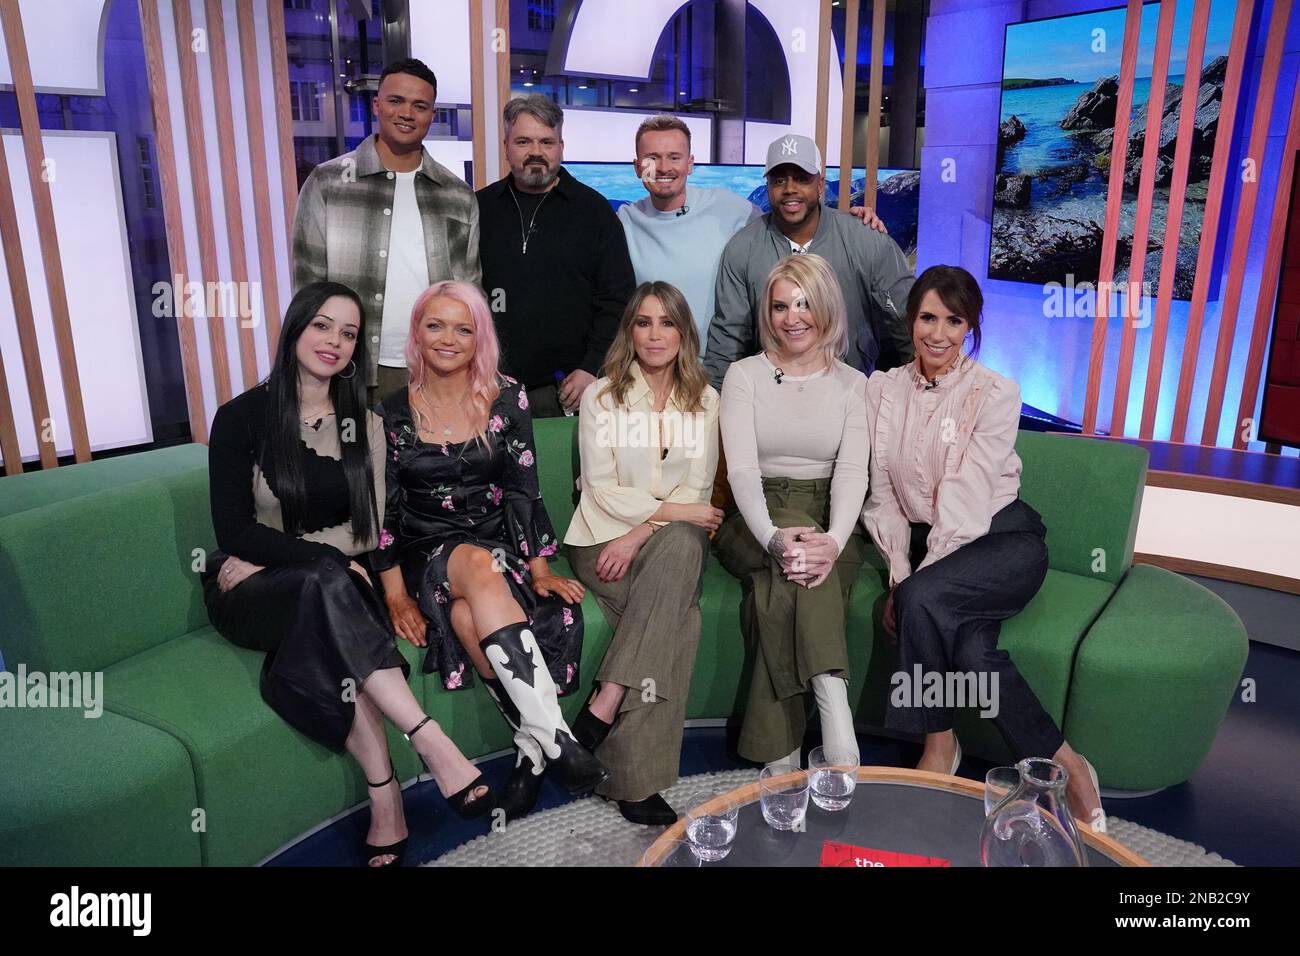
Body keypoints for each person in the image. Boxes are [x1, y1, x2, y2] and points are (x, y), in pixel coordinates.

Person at [204, 281, 492, 868]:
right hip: (250, 593)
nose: (334, 342)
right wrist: (329, 558)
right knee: (329, 581)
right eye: (322, 326)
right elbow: (232, 533)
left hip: (314, 584)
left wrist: (299, 551)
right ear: (295, 329)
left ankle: (385, 800)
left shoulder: (365, 420)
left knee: (327, 590)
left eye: (349, 333)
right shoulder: (240, 418)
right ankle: (431, 740)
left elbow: (373, 528)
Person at [861, 264, 1103, 823]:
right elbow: (884, 497)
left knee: (923, 600)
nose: (938, 333)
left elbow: (968, 501)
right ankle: (1065, 760)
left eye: (954, 320)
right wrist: (899, 570)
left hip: (1003, 539)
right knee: (971, 651)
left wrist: (916, 585)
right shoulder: (884, 391)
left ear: (970, 327)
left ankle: (938, 745)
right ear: (910, 318)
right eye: (927, 317)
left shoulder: (994, 393)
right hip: (936, 545)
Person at [373, 280, 607, 822]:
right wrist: (394, 597)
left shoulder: (508, 397)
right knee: (472, 568)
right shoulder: (389, 413)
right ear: (416, 333)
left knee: (465, 613)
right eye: (435, 325)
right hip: (425, 550)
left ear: (480, 337)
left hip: (496, 546)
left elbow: (525, 487)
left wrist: (539, 565)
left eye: (463, 328)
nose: (448, 339)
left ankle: (533, 750)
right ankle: (562, 739)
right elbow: (383, 514)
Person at [563, 281, 722, 825]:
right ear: (630, 330)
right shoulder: (601, 395)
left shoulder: (706, 398)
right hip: (602, 539)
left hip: (662, 545)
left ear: (684, 333)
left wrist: (648, 529)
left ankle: (605, 701)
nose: (656, 335)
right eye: (644, 322)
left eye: (668, 323)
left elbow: (698, 488)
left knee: (679, 547)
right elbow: (600, 487)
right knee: (685, 617)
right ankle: (635, 784)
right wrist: (649, 524)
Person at [713, 254, 870, 770]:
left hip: (828, 512)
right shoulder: (743, 375)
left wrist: (833, 541)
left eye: (803, 303)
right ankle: (834, 708)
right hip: (752, 515)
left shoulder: (854, 384)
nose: (792, 316)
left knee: (786, 584)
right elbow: (741, 474)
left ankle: (779, 754)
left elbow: (851, 474)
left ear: (825, 306)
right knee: (791, 562)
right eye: (780, 306)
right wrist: (774, 539)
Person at [291, 58, 480, 405]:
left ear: (432, 115)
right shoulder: (328, 182)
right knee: (355, 459)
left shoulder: (458, 195)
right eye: (396, 101)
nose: (407, 113)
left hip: (433, 366)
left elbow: (469, 294)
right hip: (352, 363)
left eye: (419, 105)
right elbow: (308, 288)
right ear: (377, 105)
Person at [619, 116, 888, 351]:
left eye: (674, 157)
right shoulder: (622, 223)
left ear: (690, 163)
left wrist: (848, 220)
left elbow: (792, 222)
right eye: (652, 158)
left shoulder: (729, 207)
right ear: (637, 166)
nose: (664, 167)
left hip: (713, 366)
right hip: (654, 366)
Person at [703, 133, 915, 389]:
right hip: (770, 400)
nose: (790, 188)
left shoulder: (867, 241)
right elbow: (728, 339)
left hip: (852, 397)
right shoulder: (742, 249)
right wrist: (714, 410)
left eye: (802, 179)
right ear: (768, 185)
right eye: (779, 180)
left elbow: (907, 325)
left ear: (820, 185)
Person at [477, 94, 636, 417]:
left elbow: (617, 300)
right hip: (488, 389)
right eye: (524, 141)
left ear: (561, 147)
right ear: (506, 145)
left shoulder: (595, 212)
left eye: (546, 142)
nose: (536, 152)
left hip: (568, 393)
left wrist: (592, 367)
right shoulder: (479, 208)